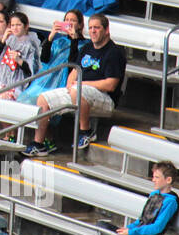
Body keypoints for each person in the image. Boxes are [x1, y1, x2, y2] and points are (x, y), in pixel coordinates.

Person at [24, 13, 126, 155]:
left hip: (105, 98)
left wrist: (81, 84)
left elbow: (111, 85)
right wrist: (70, 83)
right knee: (43, 98)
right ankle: (39, 143)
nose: (93, 31)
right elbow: (74, 71)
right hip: (79, 91)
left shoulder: (114, 52)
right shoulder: (87, 48)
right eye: (90, 28)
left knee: (78, 90)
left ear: (106, 30)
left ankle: (86, 131)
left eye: (97, 28)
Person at [20, 9, 86, 104]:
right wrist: (50, 37)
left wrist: (74, 40)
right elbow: (44, 59)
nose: (69, 23)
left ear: (80, 25)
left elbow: (72, 64)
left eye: (73, 20)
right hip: (45, 79)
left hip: (62, 82)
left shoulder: (85, 45)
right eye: (66, 20)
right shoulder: (59, 42)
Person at [115, 162, 179, 235]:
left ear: (168, 180)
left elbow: (157, 227)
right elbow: (141, 220)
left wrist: (131, 232)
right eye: (153, 177)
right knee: (104, 227)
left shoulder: (171, 202)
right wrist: (127, 229)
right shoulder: (153, 195)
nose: (153, 180)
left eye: (156, 177)